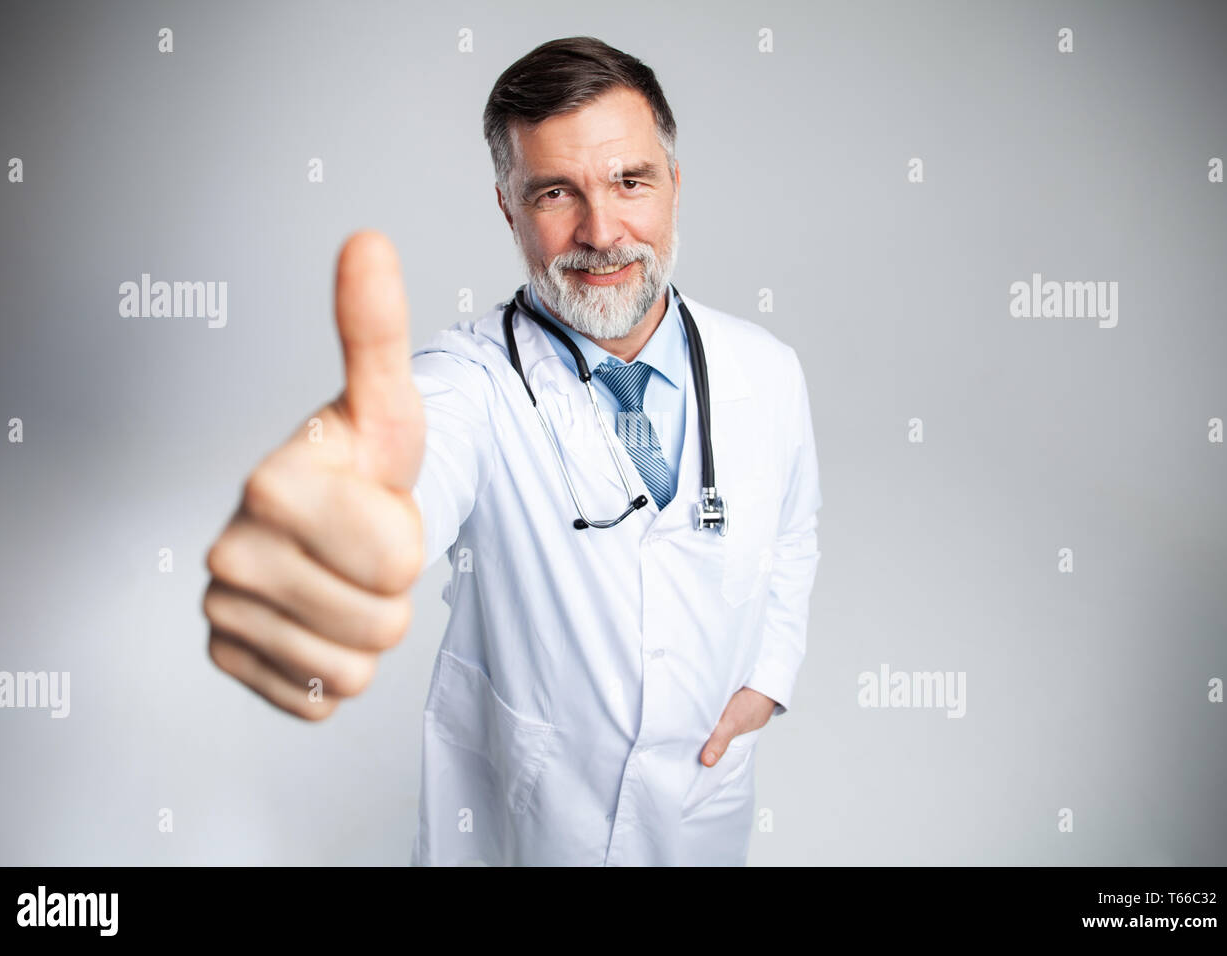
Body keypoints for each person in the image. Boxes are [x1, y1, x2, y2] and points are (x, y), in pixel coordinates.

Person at [202, 36, 822, 866]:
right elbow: (411, 465)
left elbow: (792, 532)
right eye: (556, 193)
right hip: (524, 829)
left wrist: (769, 678)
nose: (601, 232)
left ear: (675, 184)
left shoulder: (767, 372)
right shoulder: (472, 383)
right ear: (507, 207)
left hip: (700, 814)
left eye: (630, 182)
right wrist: (337, 535)